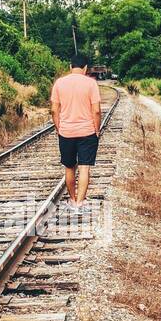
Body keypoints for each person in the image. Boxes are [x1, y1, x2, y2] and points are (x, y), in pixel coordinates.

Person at [49, 53, 102, 211]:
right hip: (87, 131)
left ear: (70, 67)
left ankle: (72, 200)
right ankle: (80, 202)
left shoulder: (59, 83)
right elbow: (97, 111)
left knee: (69, 167)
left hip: (66, 132)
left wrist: (59, 128)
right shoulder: (91, 84)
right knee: (84, 167)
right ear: (85, 68)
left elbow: (54, 110)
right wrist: (96, 129)